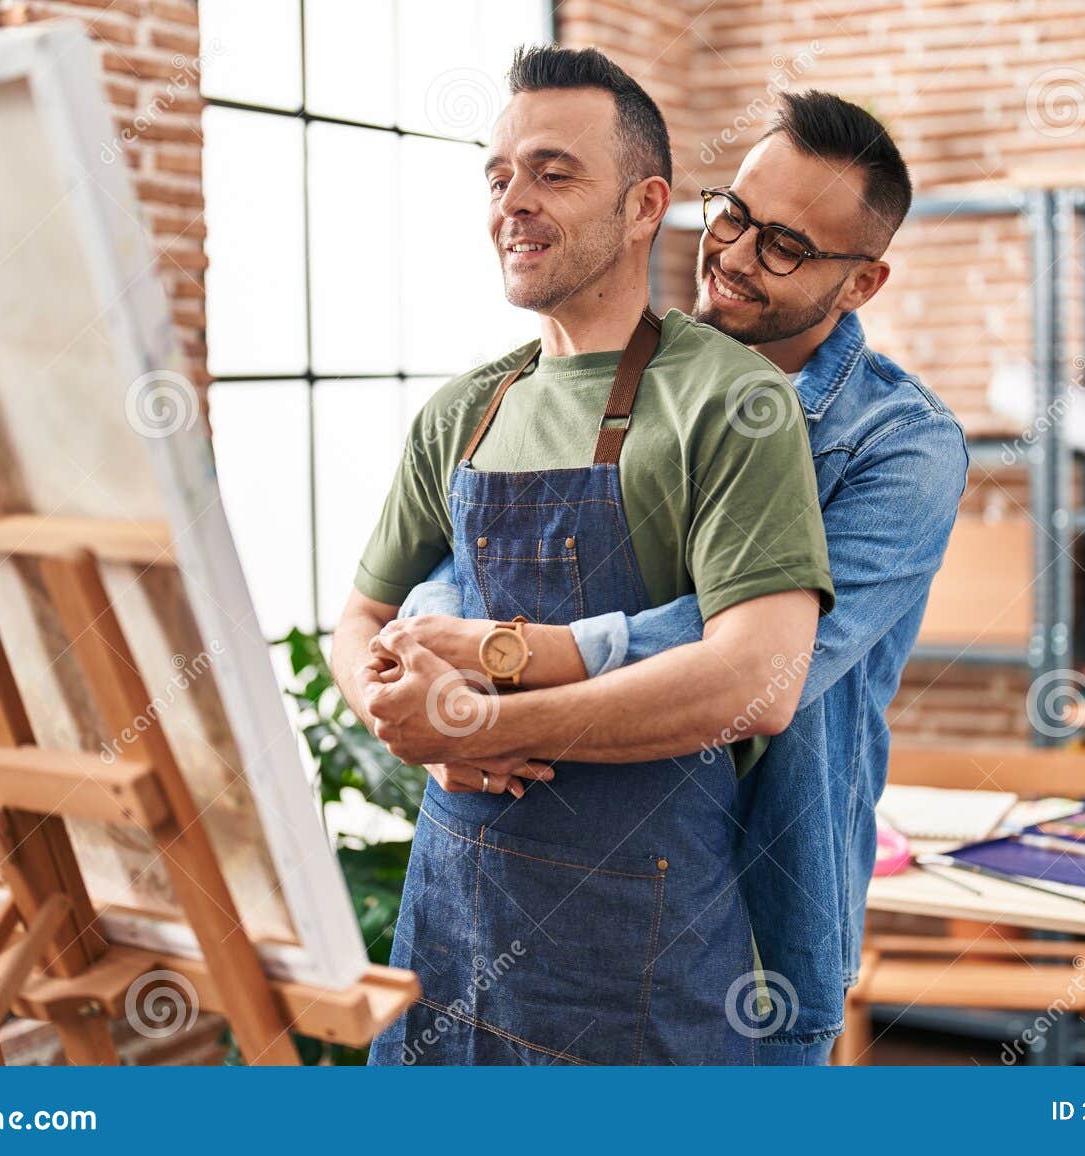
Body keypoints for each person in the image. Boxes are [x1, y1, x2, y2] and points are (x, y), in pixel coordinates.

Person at [369, 90, 968, 1065]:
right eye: (731, 214)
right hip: (520, 876)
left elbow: (776, 663)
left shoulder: (897, 444)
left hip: (755, 884)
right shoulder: (597, 374)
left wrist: (516, 655)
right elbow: (452, 562)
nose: (730, 256)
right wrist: (430, 662)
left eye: (781, 245)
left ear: (861, 284)